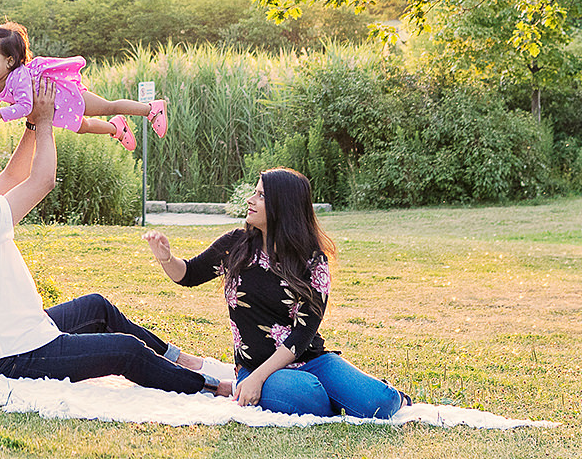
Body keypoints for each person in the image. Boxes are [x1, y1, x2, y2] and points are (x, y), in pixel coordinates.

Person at [0, 79, 225, 396]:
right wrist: (43, 122)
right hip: (11, 357)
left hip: (24, 330)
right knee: (125, 351)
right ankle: (214, 388)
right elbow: (43, 181)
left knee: (96, 307)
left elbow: (14, 176)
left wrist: (30, 123)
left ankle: (181, 360)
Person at [142, 167, 405, 419]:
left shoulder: (313, 261)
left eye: (261, 195)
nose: (250, 199)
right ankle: (321, 396)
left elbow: (303, 333)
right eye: (254, 193)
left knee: (380, 404)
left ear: (284, 206)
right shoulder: (236, 245)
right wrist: (167, 258)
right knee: (307, 395)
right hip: (255, 367)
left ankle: (370, 393)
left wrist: (259, 379)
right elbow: (188, 274)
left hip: (310, 359)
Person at [0, 21, 168, 152]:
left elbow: (25, 106)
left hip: (67, 98)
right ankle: (117, 128)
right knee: (83, 128)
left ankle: (151, 109)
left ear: (9, 61)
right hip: (55, 109)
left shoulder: (19, 76)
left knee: (108, 107)